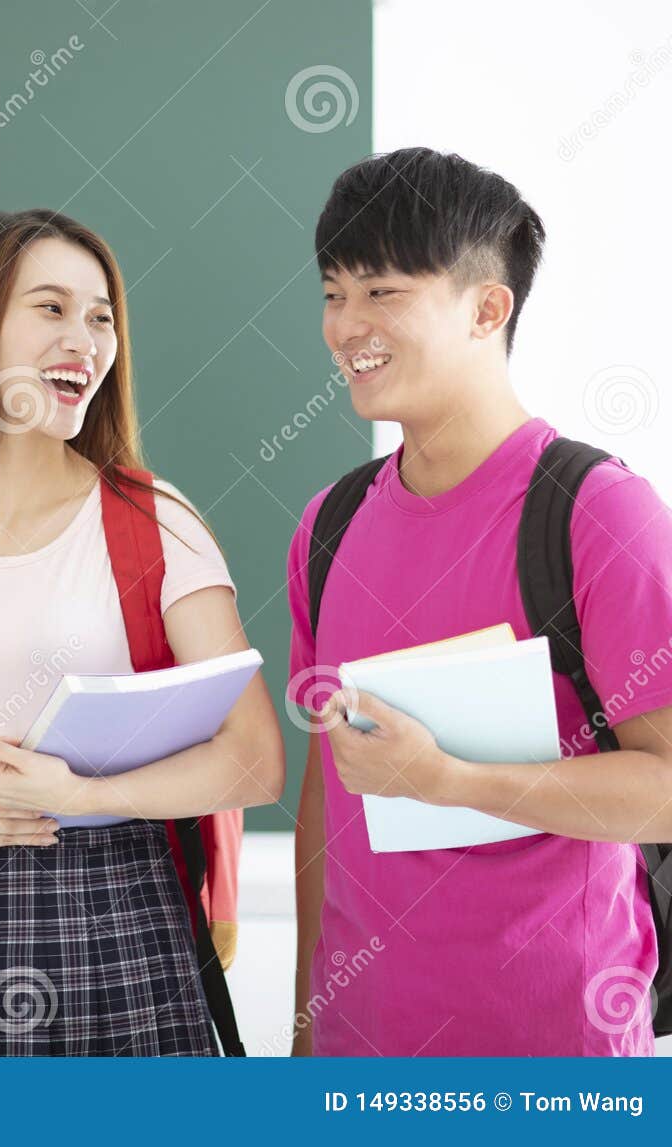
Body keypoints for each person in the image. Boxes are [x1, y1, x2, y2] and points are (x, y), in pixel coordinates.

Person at [0, 208, 285, 1055]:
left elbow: (256, 759)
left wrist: (83, 795)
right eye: (50, 308)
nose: (84, 338)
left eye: (101, 315)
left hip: (127, 918)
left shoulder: (157, 521)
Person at [287, 147, 672, 1056]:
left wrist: (451, 783)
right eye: (334, 292)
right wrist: (307, 1022)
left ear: (487, 307)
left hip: (555, 1052)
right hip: (360, 1047)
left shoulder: (596, 511)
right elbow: (325, 792)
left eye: (382, 291)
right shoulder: (328, 524)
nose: (348, 325)